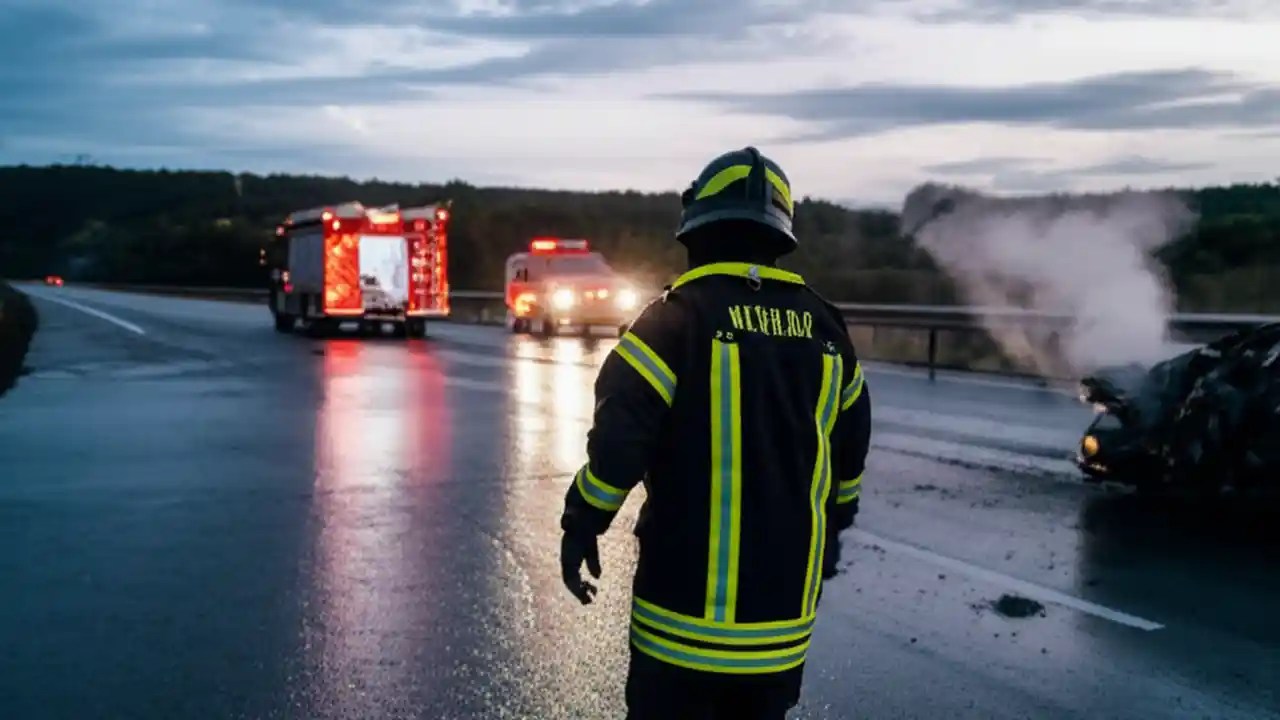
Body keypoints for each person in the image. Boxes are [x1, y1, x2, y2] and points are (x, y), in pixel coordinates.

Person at [558, 146, 873, 719]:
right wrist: (832, 533)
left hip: (678, 631)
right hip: (781, 634)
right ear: (780, 237)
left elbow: (617, 452)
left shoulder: (670, 322)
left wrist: (582, 522)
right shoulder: (828, 330)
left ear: (696, 230)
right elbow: (848, 465)